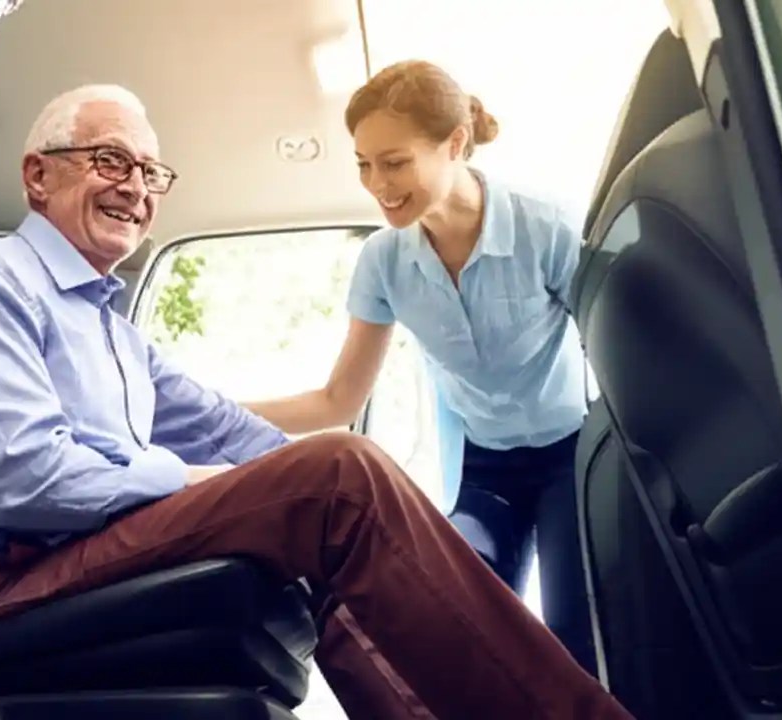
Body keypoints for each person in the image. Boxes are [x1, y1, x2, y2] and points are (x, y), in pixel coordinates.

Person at [0, 83, 630, 719]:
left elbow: (227, 428)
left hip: (63, 559)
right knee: (342, 473)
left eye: (151, 172)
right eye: (111, 160)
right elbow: (27, 482)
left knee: (335, 490)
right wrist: (216, 481)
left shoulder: (110, 331)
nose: (136, 188)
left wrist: (348, 505)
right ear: (37, 176)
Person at [244, 60, 598, 675]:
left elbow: (614, 358)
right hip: (485, 466)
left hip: (572, 455)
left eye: (395, 161)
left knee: (572, 635)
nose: (376, 184)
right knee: (465, 627)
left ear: (455, 144)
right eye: (362, 164)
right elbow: (338, 402)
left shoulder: (547, 226)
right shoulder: (384, 262)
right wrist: (207, 412)